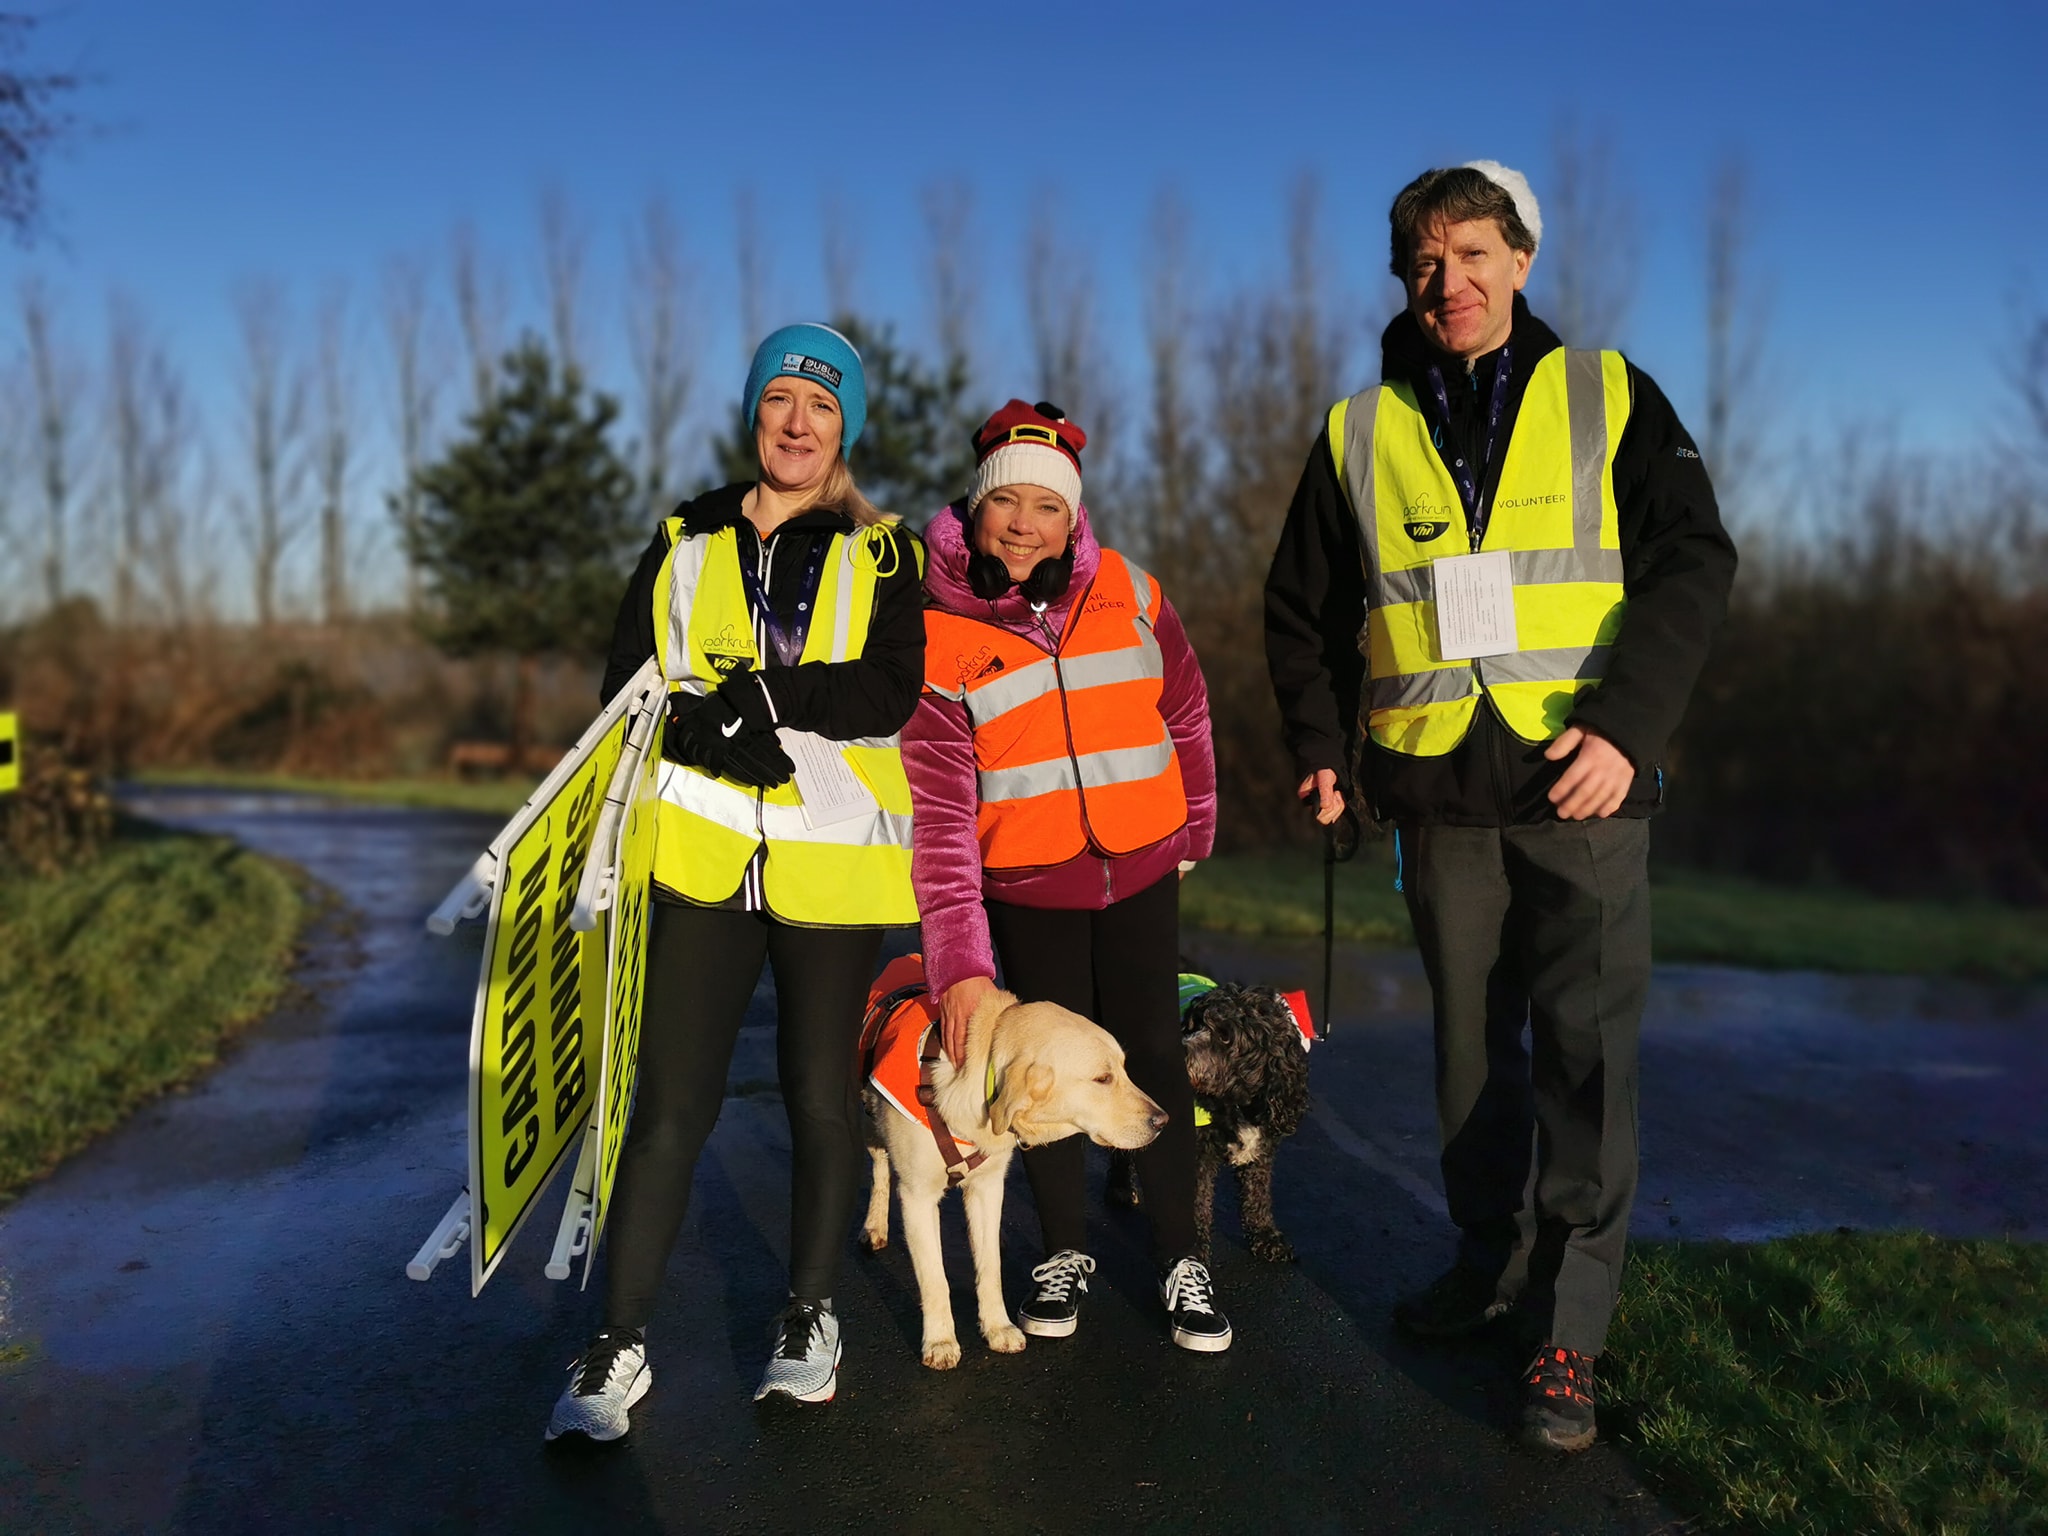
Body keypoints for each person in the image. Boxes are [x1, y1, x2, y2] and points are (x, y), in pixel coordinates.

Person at [1264, 163, 1736, 1451]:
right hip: (1437, 802)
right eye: (1423, 261)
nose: (1448, 282)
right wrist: (1320, 746)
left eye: (1471, 253)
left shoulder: (1607, 395)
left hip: (1579, 790)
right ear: (1402, 279)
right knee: (1470, 1065)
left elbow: (1693, 561)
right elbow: (1299, 612)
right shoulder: (1355, 432)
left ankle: (1567, 1337)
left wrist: (1628, 731)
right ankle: (1490, 1267)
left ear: (1520, 261)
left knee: (1585, 1062)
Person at [546, 323, 924, 1441]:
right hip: (699, 859)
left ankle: (808, 1319)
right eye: (779, 401)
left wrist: (765, 699)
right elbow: (622, 693)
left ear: (845, 424)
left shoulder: (885, 551)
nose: (797, 422)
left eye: (820, 405)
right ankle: (616, 1342)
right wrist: (700, 731)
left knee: (817, 1097)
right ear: (752, 413)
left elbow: (887, 692)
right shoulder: (681, 540)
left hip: (831, 862)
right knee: (668, 1105)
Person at [903, 399, 1230, 1352]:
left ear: (1073, 516)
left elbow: (1189, 710)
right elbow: (939, 818)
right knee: (1034, 1074)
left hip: (1141, 866)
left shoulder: (1131, 591)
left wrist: (1196, 823)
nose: (1025, 523)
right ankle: (1063, 1250)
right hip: (1027, 888)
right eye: (1007, 501)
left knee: (1153, 1056)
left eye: (1048, 506)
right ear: (975, 509)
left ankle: (1182, 1258)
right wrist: (958, 960)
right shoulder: (938, 634)